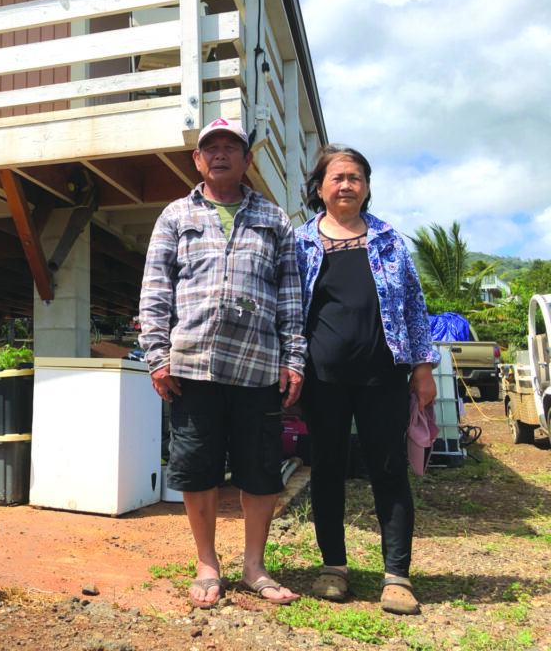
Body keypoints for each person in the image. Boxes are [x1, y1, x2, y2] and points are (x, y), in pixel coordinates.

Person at [139, 117, 306, 608]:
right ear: (196, 160)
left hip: (258, 366)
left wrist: (294, 358)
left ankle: (254, 565)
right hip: (192, 367)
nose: (219, 154)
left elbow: (291, 296)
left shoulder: (274, 219)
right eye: (209, 147)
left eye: (230, 147)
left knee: (261, 470)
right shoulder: (175, 215)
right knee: (198, 468)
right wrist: (156, 356)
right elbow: (155, 290)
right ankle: (207, 563)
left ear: (247, 159)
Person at [294, 145, 438, 616]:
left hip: (384, 375)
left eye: (355, 177)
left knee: (388, 469)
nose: (346, 185)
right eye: (337, 178)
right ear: (320, 188)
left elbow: (414, 305)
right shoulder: (300, 243)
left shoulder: (389, 239)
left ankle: (397, 576)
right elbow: (287, 309)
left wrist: (422, 368)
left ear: (367, 187)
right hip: (322, 379)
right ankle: (333, 567)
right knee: (327, 467)